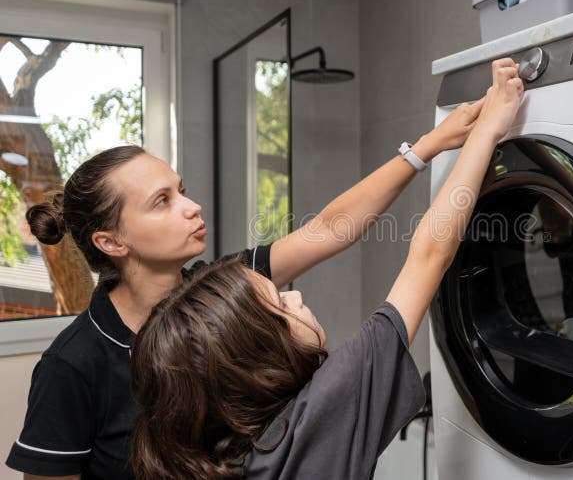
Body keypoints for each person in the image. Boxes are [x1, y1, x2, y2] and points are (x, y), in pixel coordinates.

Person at [5, 92, 486, 479]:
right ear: (111, 241)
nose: (191, 207)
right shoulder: (72, 364)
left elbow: (331, 229)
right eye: (162, 201)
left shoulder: (224, 291)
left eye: (183, 191)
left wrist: (425, 147)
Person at [130, 58, 523, 479]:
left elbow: (331, 228)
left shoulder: (224, 452)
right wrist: (489, 129)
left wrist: (429, 144)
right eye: (280, 301)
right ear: (258, 365)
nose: (295, 294)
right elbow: (429, 254)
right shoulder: (321, 415)